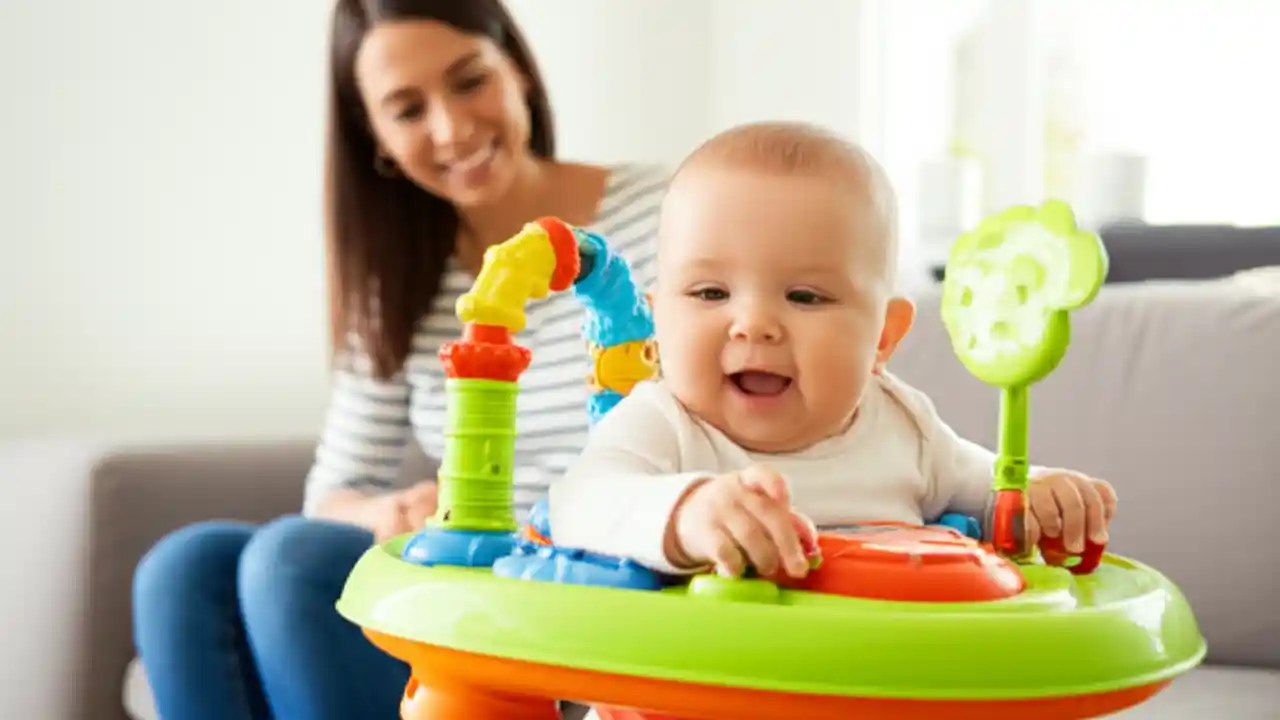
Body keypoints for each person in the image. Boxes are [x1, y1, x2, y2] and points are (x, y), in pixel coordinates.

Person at [131, 1, 668, 718]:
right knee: (185, 567)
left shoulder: (668, 210)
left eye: (469, 81)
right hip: (463, 571)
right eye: (407, 110)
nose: (450, 128)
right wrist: (389, 510)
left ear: (518, 70)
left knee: (292, 560)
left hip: (584, 583)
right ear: (375, 137)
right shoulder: (398, 280)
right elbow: (335, 491)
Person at [548, 121, 1118, 587]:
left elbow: (989, 482)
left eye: (804, 296)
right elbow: (581, 502)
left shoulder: (904, 426)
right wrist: (687, 513)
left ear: (882, 338)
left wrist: (1040, 494)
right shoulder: (663, 424)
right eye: (710, 293)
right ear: (659, 321)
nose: (754, 324)